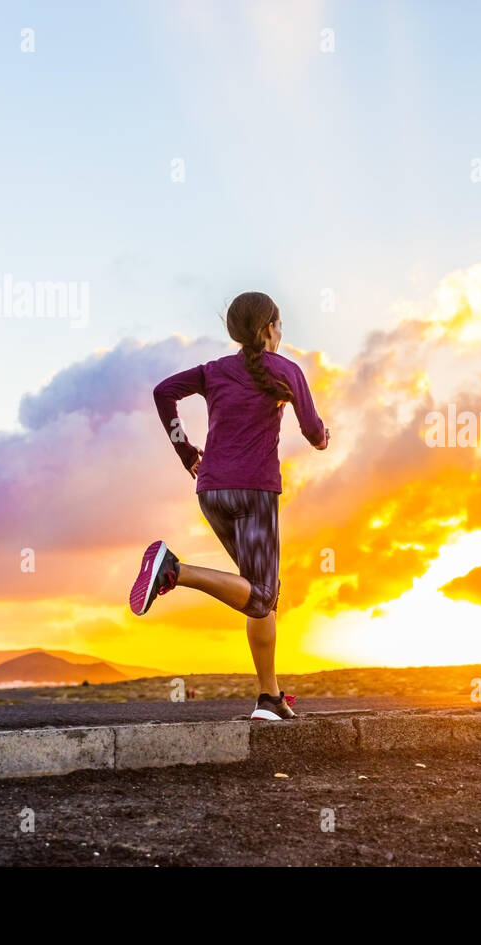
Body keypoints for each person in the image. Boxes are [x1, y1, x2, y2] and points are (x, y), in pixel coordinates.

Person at [129, 291, 329, 721]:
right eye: (280, 326)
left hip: (211, 492)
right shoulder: (285, 371)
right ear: (269, 329)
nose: (281, 333)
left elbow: (164, 393)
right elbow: (314, 431)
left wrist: (186, 453)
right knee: (260, 595)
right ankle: (173, 570)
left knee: (264, 594)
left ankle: (269, 698)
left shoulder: (214, 371)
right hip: (253, 492)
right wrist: (323, 437)